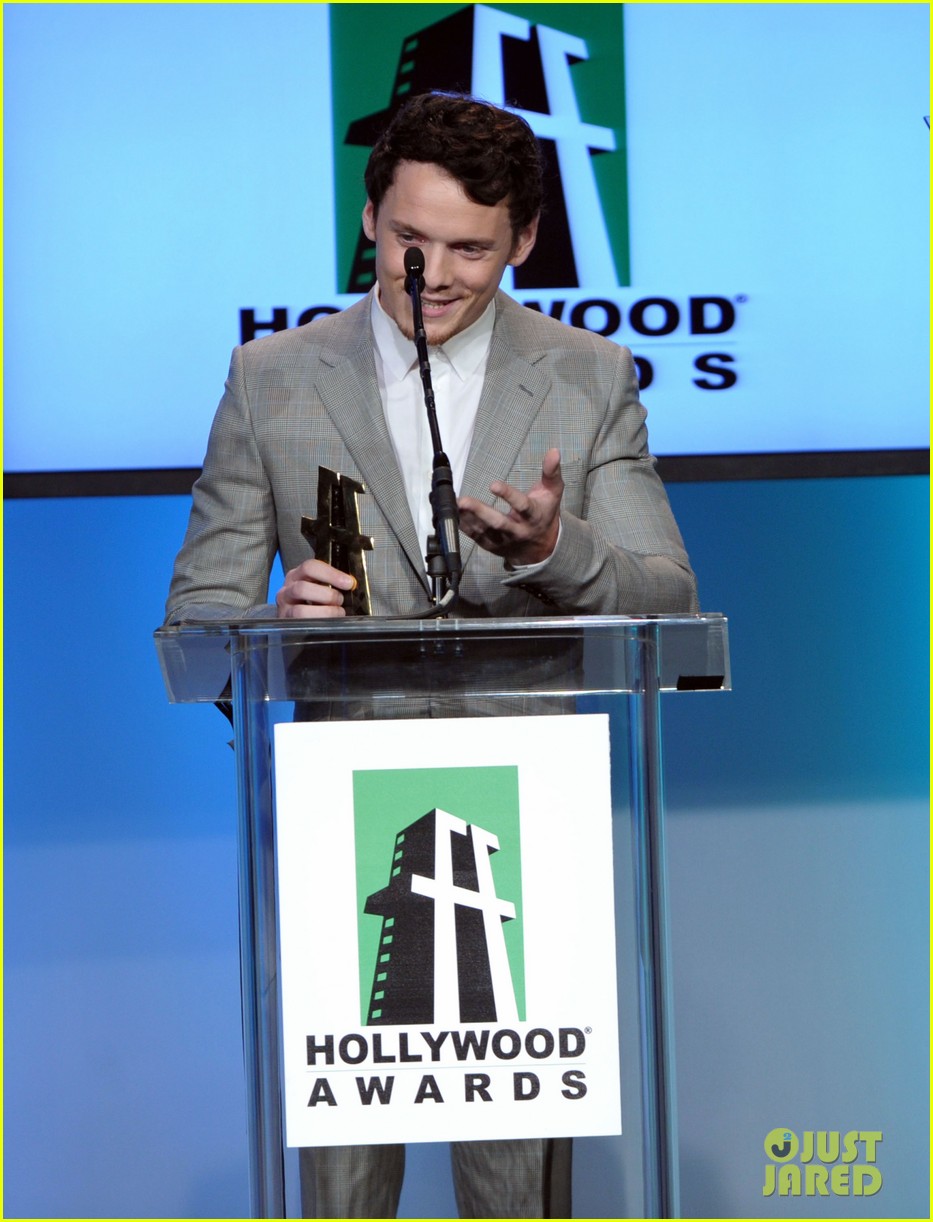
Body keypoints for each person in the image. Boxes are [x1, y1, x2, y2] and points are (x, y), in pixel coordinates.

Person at [166, 92, 697, 1218]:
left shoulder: (588, 376)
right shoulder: (273, 377)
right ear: (371, 220)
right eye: (412, 239)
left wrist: (560, 545)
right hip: (343, 826)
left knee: (515, 1181)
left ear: (525, 242)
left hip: (520, 822)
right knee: (346, 1183)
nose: (435, 272)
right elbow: (197, 625)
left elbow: (665, 597)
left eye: (470, 247)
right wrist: (273, 625)